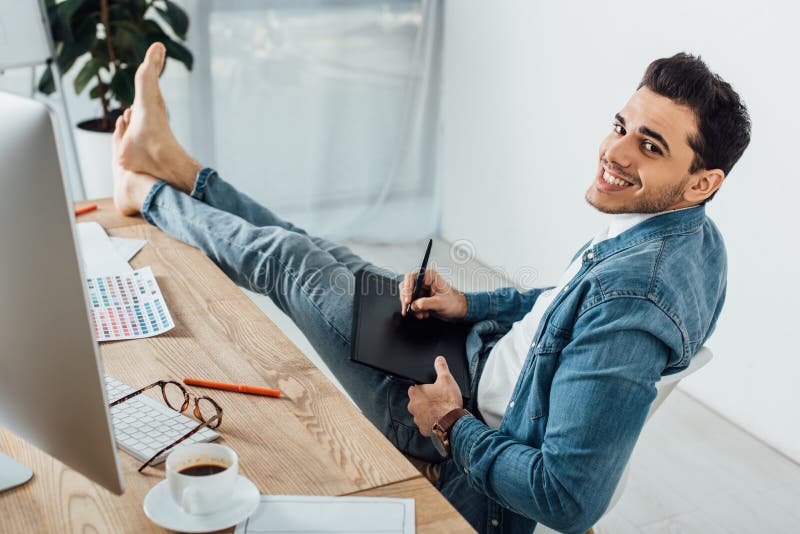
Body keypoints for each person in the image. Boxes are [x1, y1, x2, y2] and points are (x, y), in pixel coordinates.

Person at [112, 43, 750, 533]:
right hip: (473, 361)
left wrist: (449, 423)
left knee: (291, 263)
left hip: (450, 423)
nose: (616, 151)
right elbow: (565, 310)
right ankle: (174, 166)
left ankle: (149, 193)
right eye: (621, 125)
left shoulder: (635, 299)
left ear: (703, 181)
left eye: (649, 146)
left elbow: (567, 498)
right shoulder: (688, 237)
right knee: (317, 251)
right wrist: (470, 304)